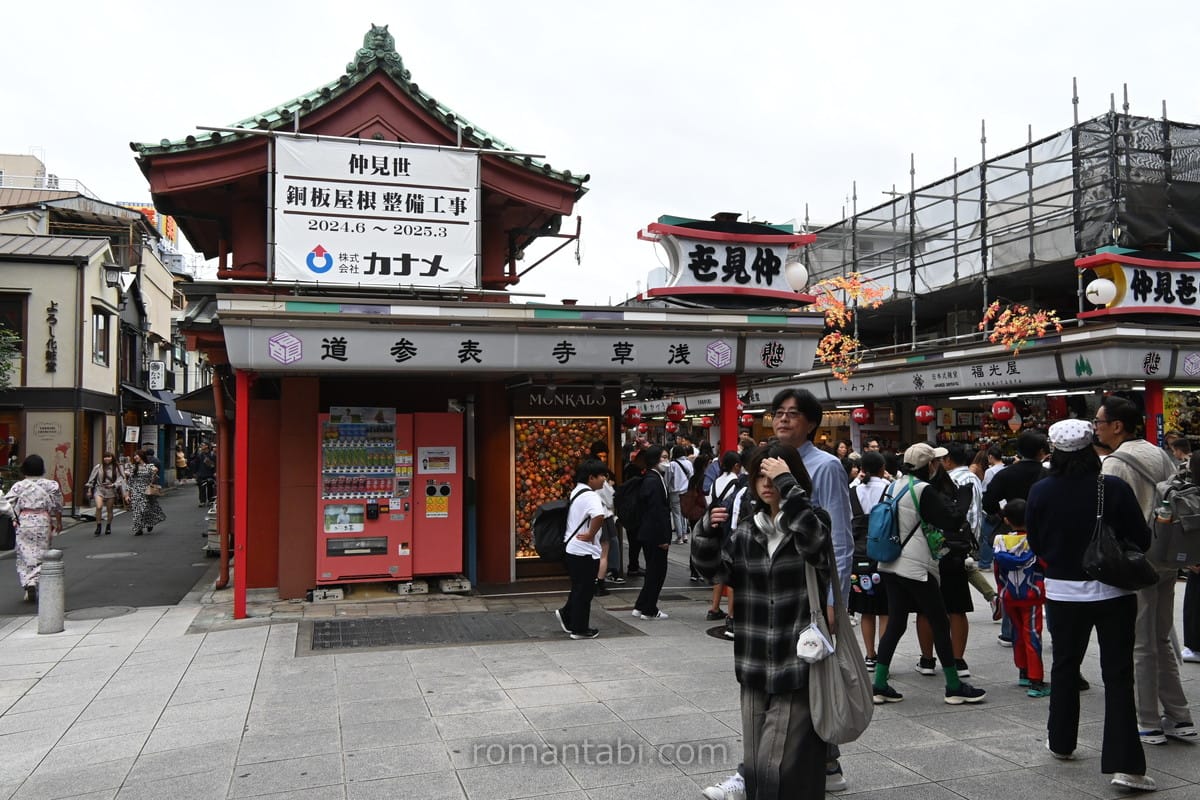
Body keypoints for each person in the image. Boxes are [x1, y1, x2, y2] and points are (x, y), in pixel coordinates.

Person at [693, 444, 833, 800]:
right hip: (753, 659)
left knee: (777, 758)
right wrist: (706, 530)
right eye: (759, 475)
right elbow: (716, 572)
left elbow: (816, 543)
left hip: (799, 658)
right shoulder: (747, 530)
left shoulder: (810, 523)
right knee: (757, 758)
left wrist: (789, 485)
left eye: (774, 476)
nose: (766, 483)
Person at [1026, 418, 1156, 791]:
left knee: (1065, 666)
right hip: (1114, 592)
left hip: (1062, 592)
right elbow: (1141, 539)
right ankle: (1126, 765)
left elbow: (1036, 543)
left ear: (1054, 451)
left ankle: (1062, 741)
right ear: (1090, 448)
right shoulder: (1111, 488)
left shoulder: (1040, 491)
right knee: (1117, 674)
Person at [1095, 396, 1196, 747]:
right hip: (1167, 558)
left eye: (1100, 422)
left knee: (1139, 642)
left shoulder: (1112, 464)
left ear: (1117, 426)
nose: (1097, 427)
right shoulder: (1158, 453)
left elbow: (1106, 520)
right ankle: (1180, 716)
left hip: (1137, 563)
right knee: (1162, 637)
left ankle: (1149, 721)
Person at [871, 443, 986, 706]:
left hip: (890, 563)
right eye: (935, 462)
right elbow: (951, 520)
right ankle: (954, 686)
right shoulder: (923, 489)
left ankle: (879, 683)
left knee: (897, 622)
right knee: (939, 621)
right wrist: (964, 499)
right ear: (929, 465)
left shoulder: (893, 485)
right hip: (915, 567)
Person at [982, 430, 1049, 646]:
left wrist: (1005, 515)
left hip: (1013, 534)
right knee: (1044, 579)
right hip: (1042, 531)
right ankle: (1051, 631)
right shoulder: (1048, 474)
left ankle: (1009, 632)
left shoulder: (1006, 474)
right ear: (1041, 451)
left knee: (1010, 581)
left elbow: (988, 501)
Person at [992, 499, 1049, 697]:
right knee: (1032, 635)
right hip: (1031, 594)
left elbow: (997, 570)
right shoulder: (1035, 541)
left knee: (1017, 634)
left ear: (1006, 520)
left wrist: (1001, 591)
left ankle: (1023, 671)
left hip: (1009, 594)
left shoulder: (999, 542)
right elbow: (1044, 565)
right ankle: (1036, 680)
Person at [554, 459, 607, 640]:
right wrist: (592, 533)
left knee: (579, 587)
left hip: (572, 548)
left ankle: (567, 615)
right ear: (591, 477)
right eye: (601, 476)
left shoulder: (577, 491)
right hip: (584, 550)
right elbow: (599, 516)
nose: (604, 480)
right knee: (585, 591)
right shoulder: (591, 496)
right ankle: (580, 628)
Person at [849, 450, 890, 667]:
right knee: (885, 609)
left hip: (859, 554)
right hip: (884, 554)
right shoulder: (889, 489)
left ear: (862, 469)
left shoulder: (853, 491)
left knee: (865, 609)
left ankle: (870, 655)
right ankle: (883, 656)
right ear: (882, 468)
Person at [4, 454, 64, 601]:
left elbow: (7, 503)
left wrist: (14, 517)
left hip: (24, 521)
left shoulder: (19, 486)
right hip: (43, 520)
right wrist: (58, 521)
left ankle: (28, 582)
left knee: (24, 553)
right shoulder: (51, 485)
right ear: (42, 468)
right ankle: (35, 580)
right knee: (42, 553)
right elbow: (58, 505)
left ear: (24, 469)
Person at [632, 445, 672, 620]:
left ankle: (641, 605)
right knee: (657, 571)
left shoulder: (652, 478)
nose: (666, 461)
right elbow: (657, 511)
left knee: (652, 570)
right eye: (663, 457)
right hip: (655, 534)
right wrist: (663, 537)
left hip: (648, 532)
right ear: (655, 459)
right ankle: (649, 608)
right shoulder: (654, 480)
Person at [705, 450, 743, 622]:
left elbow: (708, 503)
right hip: (729, 528)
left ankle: (714, 608)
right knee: (733, 570)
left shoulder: (715, 482)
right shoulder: (736, 483)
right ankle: (732, 613)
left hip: (715, 527)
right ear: (736, 465)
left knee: (720, 569)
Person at [124, 449, 166, 536]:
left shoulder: (149, 466)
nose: (135, 457)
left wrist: (155, 471)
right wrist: (127, 494)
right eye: (134, 456)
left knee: (146, 509)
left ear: (142, 456)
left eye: (137, 455)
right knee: (137, 510)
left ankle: (149, 522)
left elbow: (155, 473)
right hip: (136, 491)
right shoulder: (133, 467)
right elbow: (130, 481)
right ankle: (138, 528)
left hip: (146, 490)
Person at [84, 451, 125, 536]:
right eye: (105, 457)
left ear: (112, 458)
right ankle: (98, 526)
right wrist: (89, 490)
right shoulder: (98, 467)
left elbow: (121, 479)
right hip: (99, 488)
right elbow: (91, 479)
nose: (107, 458)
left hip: (111, 490)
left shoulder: (117, 467)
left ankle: (108, 526)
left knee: (109, 509)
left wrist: (114, 485)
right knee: (99, 507)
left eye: (109, 457)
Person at [668, 445, 693, 544]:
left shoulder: (672, 464)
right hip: (686, 491)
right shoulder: (688, 463)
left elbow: (668, 478)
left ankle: (679, 537)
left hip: (675, 492)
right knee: (684, 514)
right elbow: (691, 476)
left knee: (677, 514)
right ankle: (685, 535)